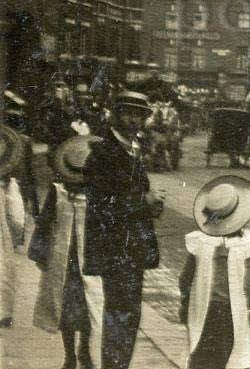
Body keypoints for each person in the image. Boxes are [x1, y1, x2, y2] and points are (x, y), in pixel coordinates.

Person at [84, 91, 165, 369]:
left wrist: (150, 205)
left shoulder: (130, 148)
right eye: (128, 113)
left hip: (130, 247)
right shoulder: (104, 151)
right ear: (116, 115)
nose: (134, 120)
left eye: (139, 115)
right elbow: (101, 202)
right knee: (122, 313)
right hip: (115, 247)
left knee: (127, 313)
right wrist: (144, 201)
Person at [29, 135, 105, 369]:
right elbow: (44, 223)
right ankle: (69, 355)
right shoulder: (58, 193)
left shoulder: (98, 197)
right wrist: (40, 252)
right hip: (63, 261)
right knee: (65, 311)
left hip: (90, 262)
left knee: (89, 310)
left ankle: (84, 351)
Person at [179, 176, 250, 369]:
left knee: (200, 357)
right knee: (230, 358)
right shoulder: (245, 245)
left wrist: (184, 305)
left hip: (203, 309)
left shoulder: (200, 242)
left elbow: (185, 279)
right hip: (230, 313)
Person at [1, 120, 36, 330]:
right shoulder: (8, 185)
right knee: (3, 267)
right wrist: (14, 235)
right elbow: (16, 217)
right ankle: (3, 312)